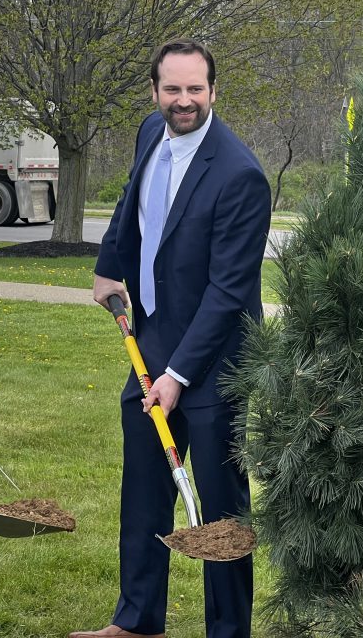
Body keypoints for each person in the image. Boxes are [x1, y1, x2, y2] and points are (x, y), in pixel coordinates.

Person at [75, 38, 271, 638]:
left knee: (220, 510)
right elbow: (131, 204)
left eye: (195, 89)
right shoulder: (147, 134)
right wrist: (110, 264)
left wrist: (178, 376)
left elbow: (228, 292)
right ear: (154, 90)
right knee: (145, 488)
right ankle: (137, 621)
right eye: (172, 89)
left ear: (214, 91)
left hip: (215, 361)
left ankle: (227, 632)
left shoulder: (241, 176)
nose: (183, 101)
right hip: (154, 340)